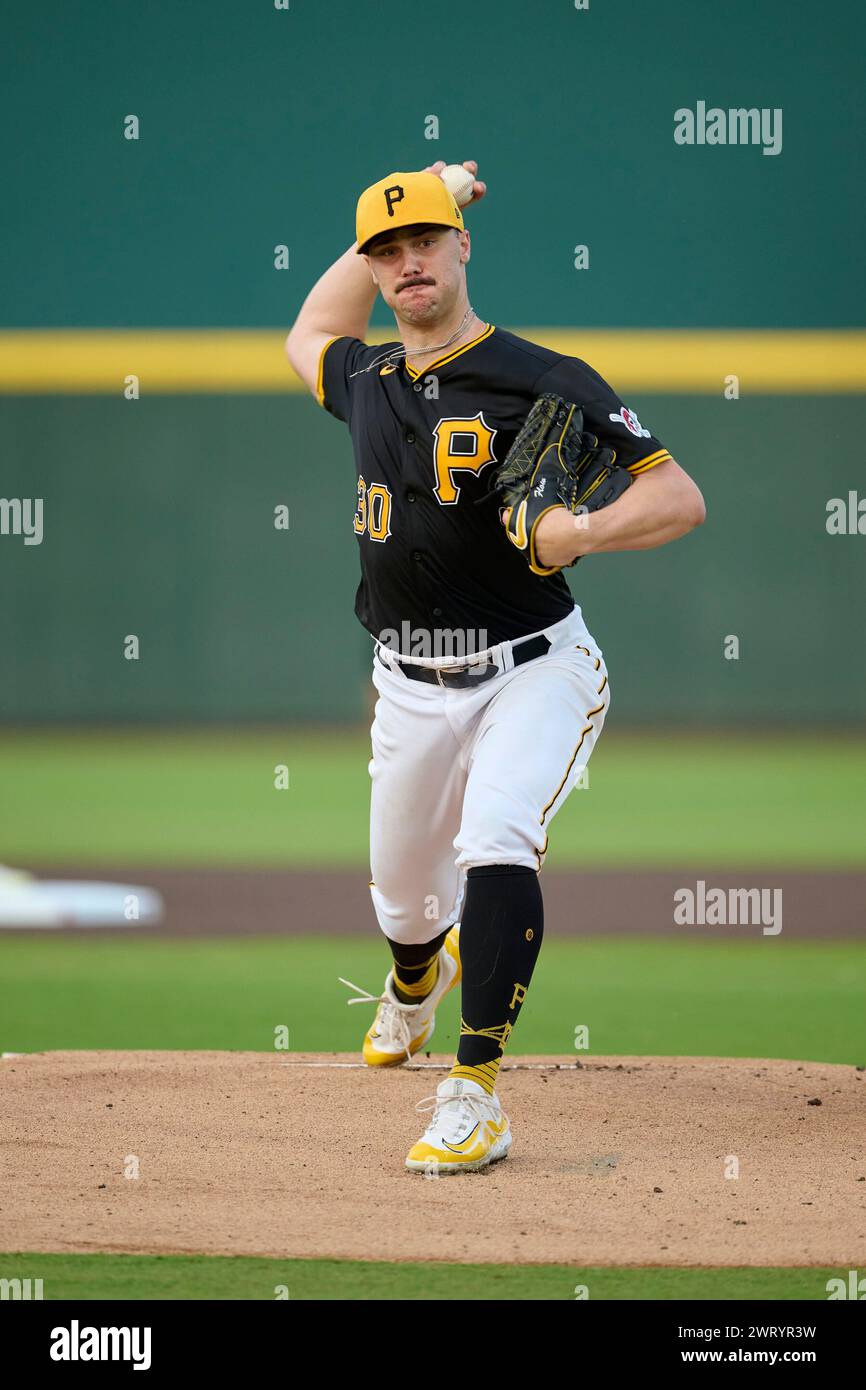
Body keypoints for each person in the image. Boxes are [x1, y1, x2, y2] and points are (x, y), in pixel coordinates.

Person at [286, 160, 705, 1173]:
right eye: (386, 251)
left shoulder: (543, 377)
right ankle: (414, 981)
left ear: (462, 242)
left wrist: (584, 530)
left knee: (496, 839)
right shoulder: (363, 380)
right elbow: (304, 331)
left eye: (424, 238)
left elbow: (679, 496)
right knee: (402, 903)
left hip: (532, 667)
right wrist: (406, 199)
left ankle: (473, 1092)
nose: (407, 262)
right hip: (405, 682)